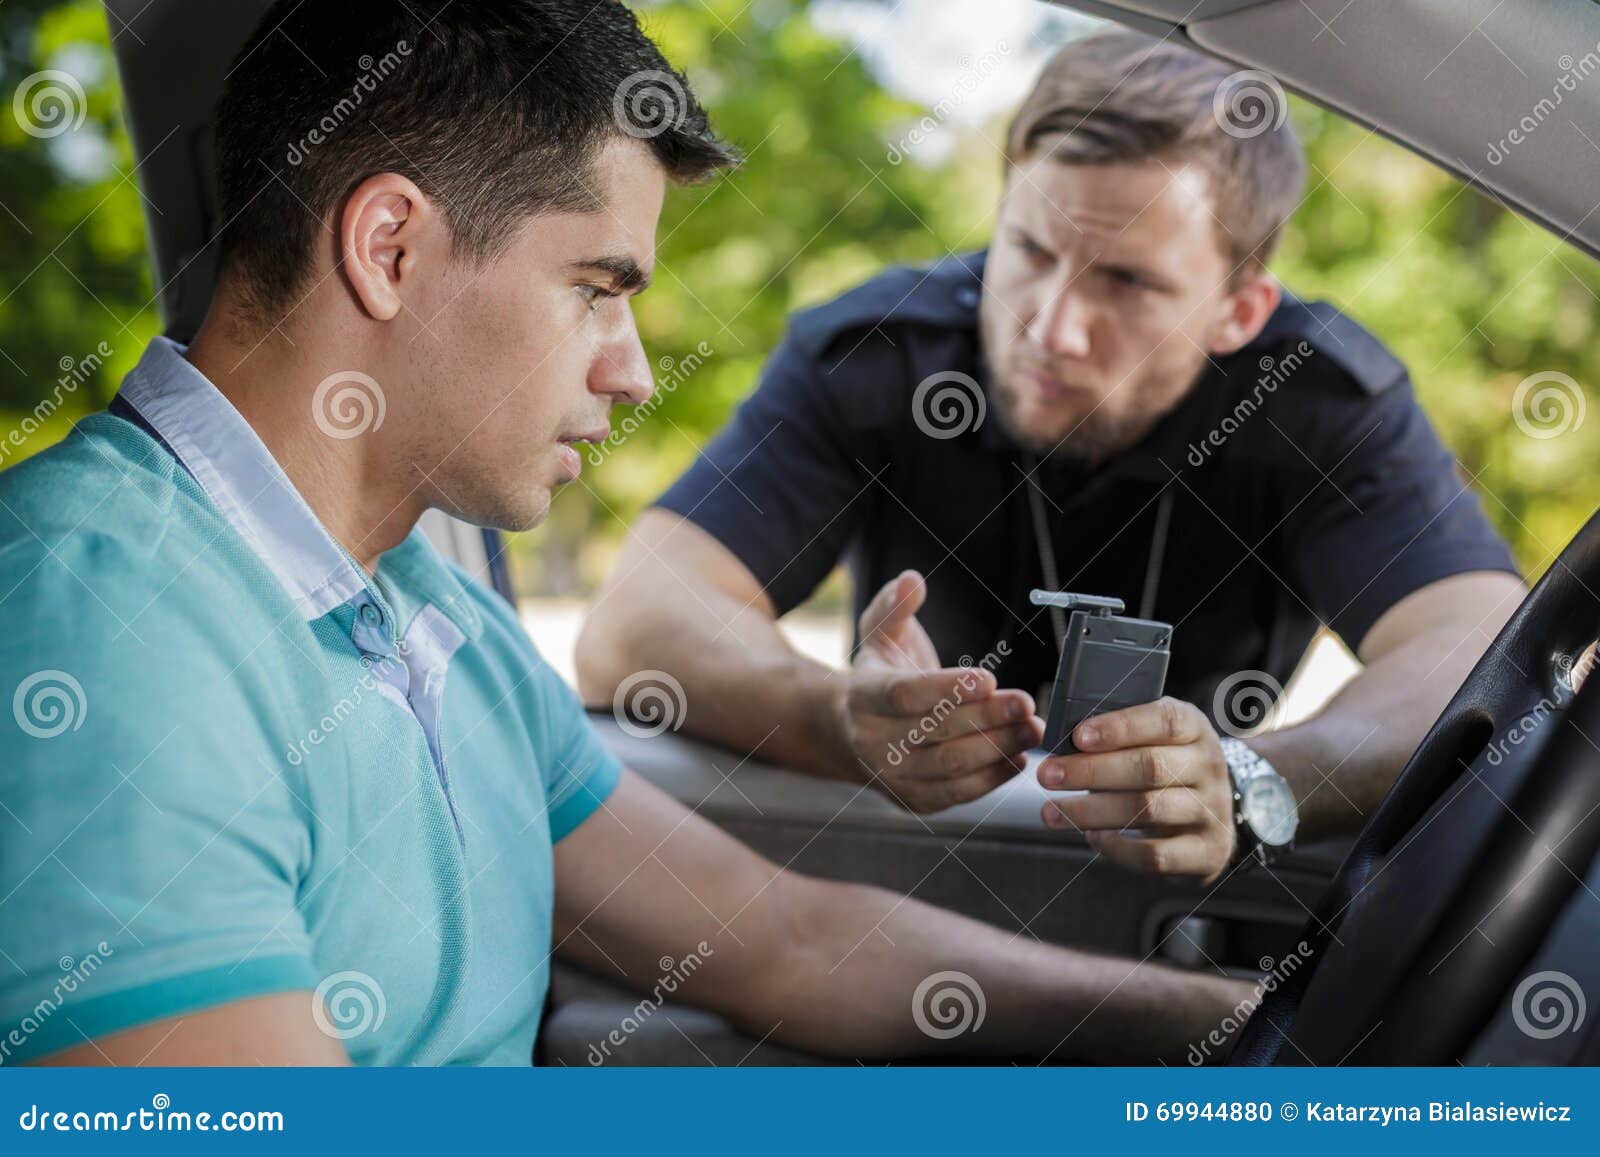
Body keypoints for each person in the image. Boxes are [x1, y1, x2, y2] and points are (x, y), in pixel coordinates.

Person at [0, 0, 1247, 1067]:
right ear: (388, 249)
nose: (635, 373)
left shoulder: (439, 618)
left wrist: (1243, 1025)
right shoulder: (98, 622)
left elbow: (784, 941)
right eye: (595, 289)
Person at [577, 30, 1526, 881]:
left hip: (1171, 895)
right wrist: (837, 718)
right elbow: (637, 623)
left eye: (1126, 280)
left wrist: (1245, 776)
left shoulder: (1316, 400)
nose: (1052, 326)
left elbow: (1480, 652)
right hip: (907, 873)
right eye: (1027, 249)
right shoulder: (881, 356)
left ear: (1240, 311)